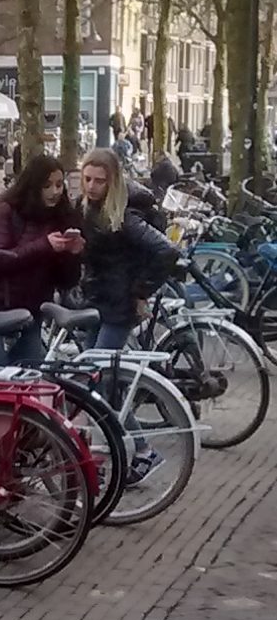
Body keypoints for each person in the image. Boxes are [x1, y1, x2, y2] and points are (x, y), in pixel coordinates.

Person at [78, 147, 179, 484]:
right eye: (87, 179)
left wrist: (140, 290)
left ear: (114, 181)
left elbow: (166, 251)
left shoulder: (124, 216)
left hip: (117, 307)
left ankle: (141, 451)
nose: (92, 186)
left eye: (100, 181)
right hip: (97, 303)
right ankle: (135, 450)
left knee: (104, 379)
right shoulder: (88, 208)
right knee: (99, 382)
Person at [0, 154, 82, 367]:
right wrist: (45, 245)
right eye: (47, 186)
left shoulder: (61, 217)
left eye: (59, 185)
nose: (55, 192)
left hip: (32, 313)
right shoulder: (7, 211)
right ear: (33, 186)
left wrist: (72, 253)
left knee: (28, 383)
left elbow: (65, 281)